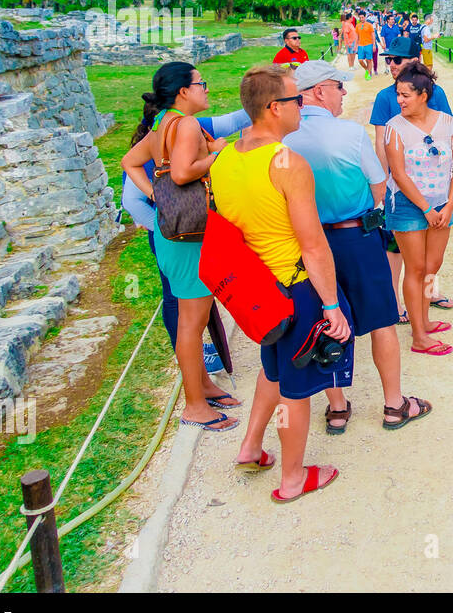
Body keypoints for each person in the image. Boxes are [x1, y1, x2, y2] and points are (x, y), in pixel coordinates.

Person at [211, 64, 353, 501]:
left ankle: (251, 446)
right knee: (297, 390)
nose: (303, 104)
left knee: (271, 371)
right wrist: (331, 305)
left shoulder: (226, 158)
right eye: (297, 99)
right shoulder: (288, 163)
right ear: (275, 108)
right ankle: (293, 477)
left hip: (258, 290)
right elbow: (313, 246)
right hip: (296, 288)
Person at [284, 60, 433, 432]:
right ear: (319, 91)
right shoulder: (349, 132)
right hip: (357, 236)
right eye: (338, 86)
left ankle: (336, 407)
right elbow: (378, 183)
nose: (343, 92)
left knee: (326, 320)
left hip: (309, 241)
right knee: (382, 319)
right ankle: (394, 405)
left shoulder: (285, 139)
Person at [121, 62, 243, 432]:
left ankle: (202, 385)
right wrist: (217, 154)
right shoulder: (187, 125)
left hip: (172, 232)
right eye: (200, 83)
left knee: (197, 316)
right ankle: (194, 407)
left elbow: (130, 161)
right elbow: (182, 173)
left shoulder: (162, 123)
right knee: (191, 323)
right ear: (183, 91)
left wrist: (155, 197)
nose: (205, 88)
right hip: (188, 236)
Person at [121, 101, 251, 372]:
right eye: (198, 84)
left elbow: (234, 119)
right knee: (183, 308)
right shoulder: (183, 132)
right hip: (178, 234)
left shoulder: (169, 133)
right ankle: (193, 364)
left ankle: (194, 361)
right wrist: (162, 227)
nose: (204, 90)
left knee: (188, 306)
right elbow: (131, 201)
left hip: (180, 231)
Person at [370, 40, 453, 317]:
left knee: (430, 257)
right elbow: (381, 142)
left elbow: (446, 132)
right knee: (398, 250)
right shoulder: (386, 97)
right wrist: (383, 184)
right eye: (389, 60)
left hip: (434, 187)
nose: (392, 65)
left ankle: (428, 294)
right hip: (403, 190)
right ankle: (395, 302)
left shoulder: (436, 93)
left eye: (397, 59)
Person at [383, 62, 453, 355]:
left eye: (406, 95)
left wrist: (449, 204)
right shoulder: (394, 128)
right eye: (398, 94)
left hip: (442, 202)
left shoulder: (447, 123)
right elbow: (399, 174)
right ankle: (418, 335)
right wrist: (426, 209)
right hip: (408, 206)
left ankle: (426, 320)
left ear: (424, 94)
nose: (400, 100)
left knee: (433, 266)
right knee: (415, 269)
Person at [357, 11, 377, 76]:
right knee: (360, 60)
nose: (361, 19)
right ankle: (366, 69)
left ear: (365, 17)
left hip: (369, 44)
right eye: (360, 17)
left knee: (369, 60)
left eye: (362, 17)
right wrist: (356, 46)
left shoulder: (369, 25)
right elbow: (357, 36)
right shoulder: (357, 26)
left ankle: (369, 73)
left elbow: (373, 35)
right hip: (360, 45)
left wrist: (374, 45)